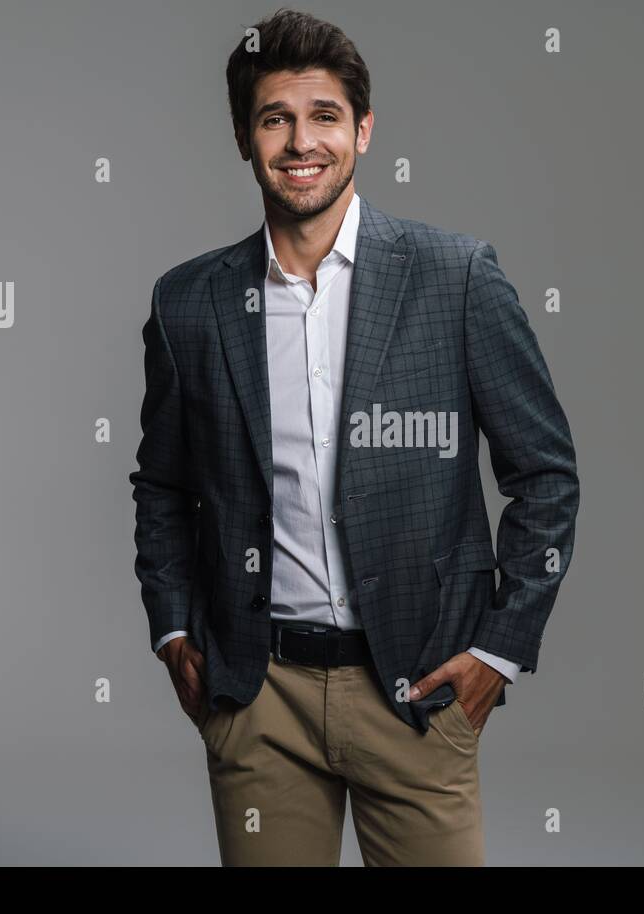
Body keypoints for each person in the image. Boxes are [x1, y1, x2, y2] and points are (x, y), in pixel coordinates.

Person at [130, 7, 580, 866]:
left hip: (417, 689)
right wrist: (173, 629)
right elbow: (162, 485)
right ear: (244, 137)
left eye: (325, 116)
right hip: (258, 697)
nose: (303, 142)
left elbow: (546, 475)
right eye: (277, 119)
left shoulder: (457, 278)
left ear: (363, 130)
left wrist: (500, 647)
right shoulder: (188, 302)